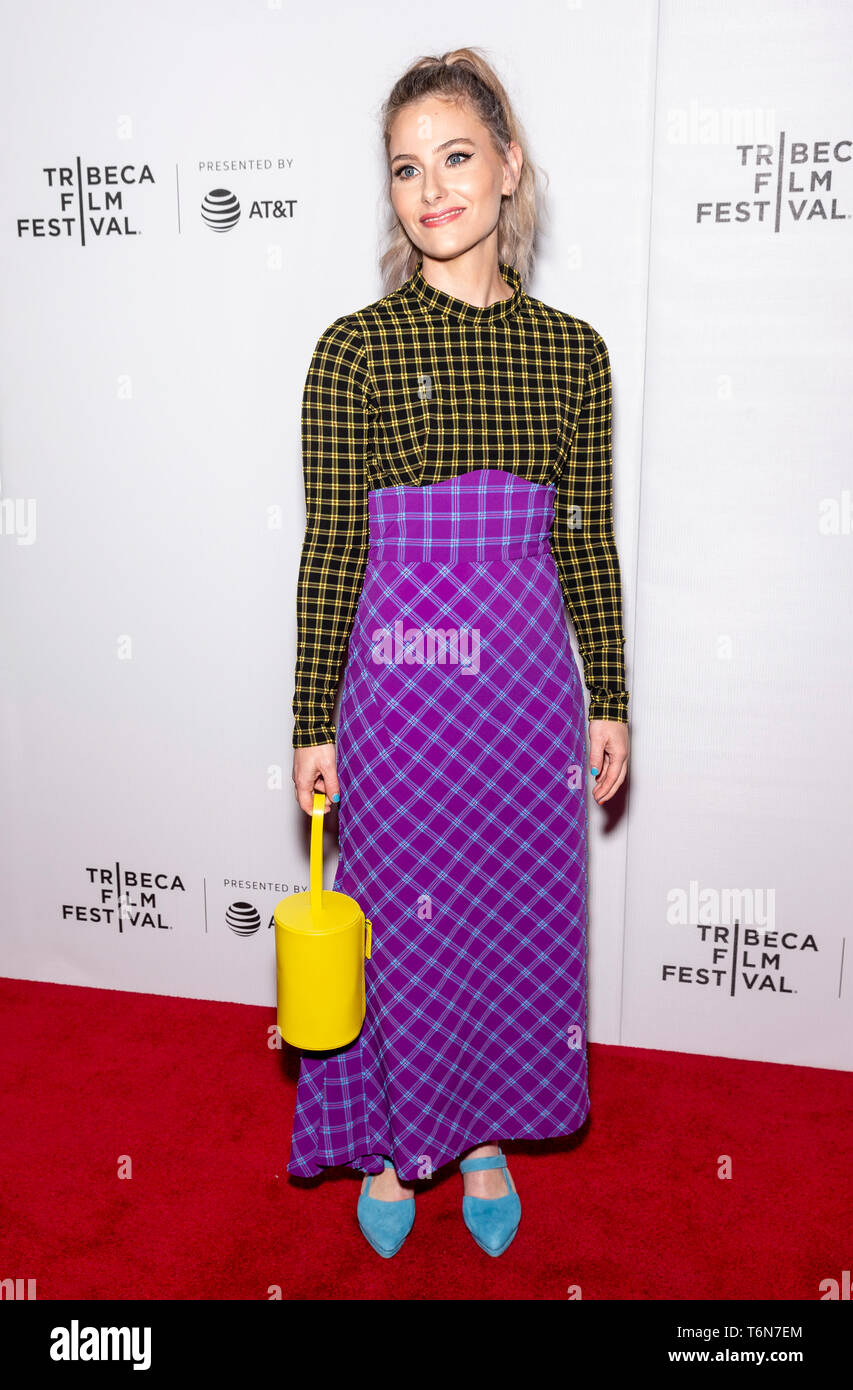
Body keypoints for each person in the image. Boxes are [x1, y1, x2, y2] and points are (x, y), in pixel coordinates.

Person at [289, 47, 630, 1259]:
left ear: (507, 167)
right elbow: (333, 546)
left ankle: (481, 1131)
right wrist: (311, 720)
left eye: (454, 156)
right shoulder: (354, 351)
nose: (429, 187)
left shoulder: (576, 353)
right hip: (400, 686)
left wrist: (611, 700)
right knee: (403, 920)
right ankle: (391, 1138)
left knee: (504, 914)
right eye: (403, 167)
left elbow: (584, 544)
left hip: (527, 690)